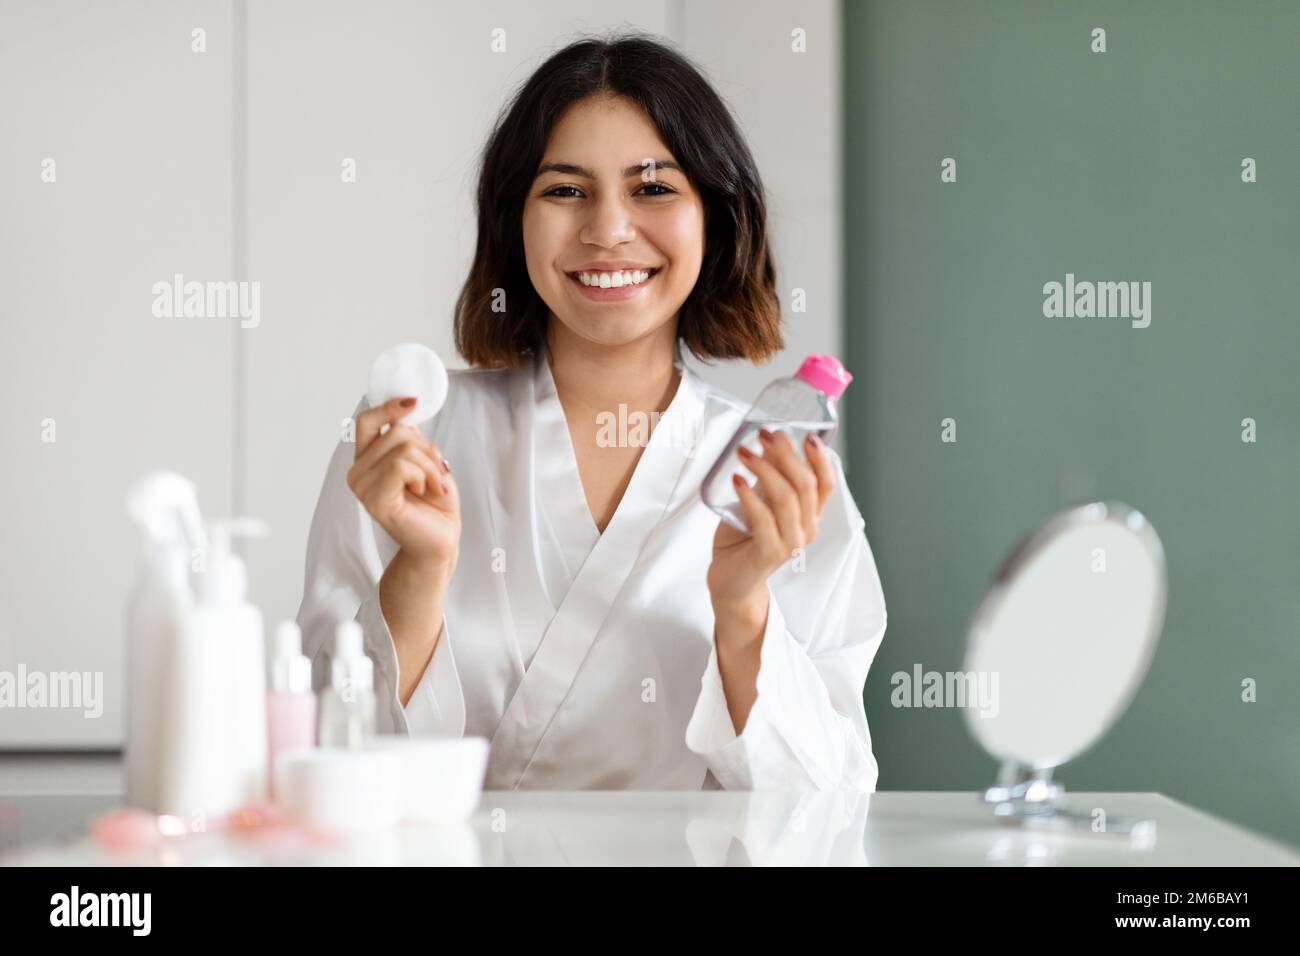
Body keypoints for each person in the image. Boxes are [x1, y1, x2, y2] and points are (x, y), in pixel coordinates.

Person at [297, 34, 887, 790]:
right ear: (515, 220)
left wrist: (744, 614)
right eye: (566, 190)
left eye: (653, 189)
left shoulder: (784, 478)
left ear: (716, 215)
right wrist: (419, 572)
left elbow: (827, 803)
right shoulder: (410, 441)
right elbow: (323, 765)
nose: (608, 229)